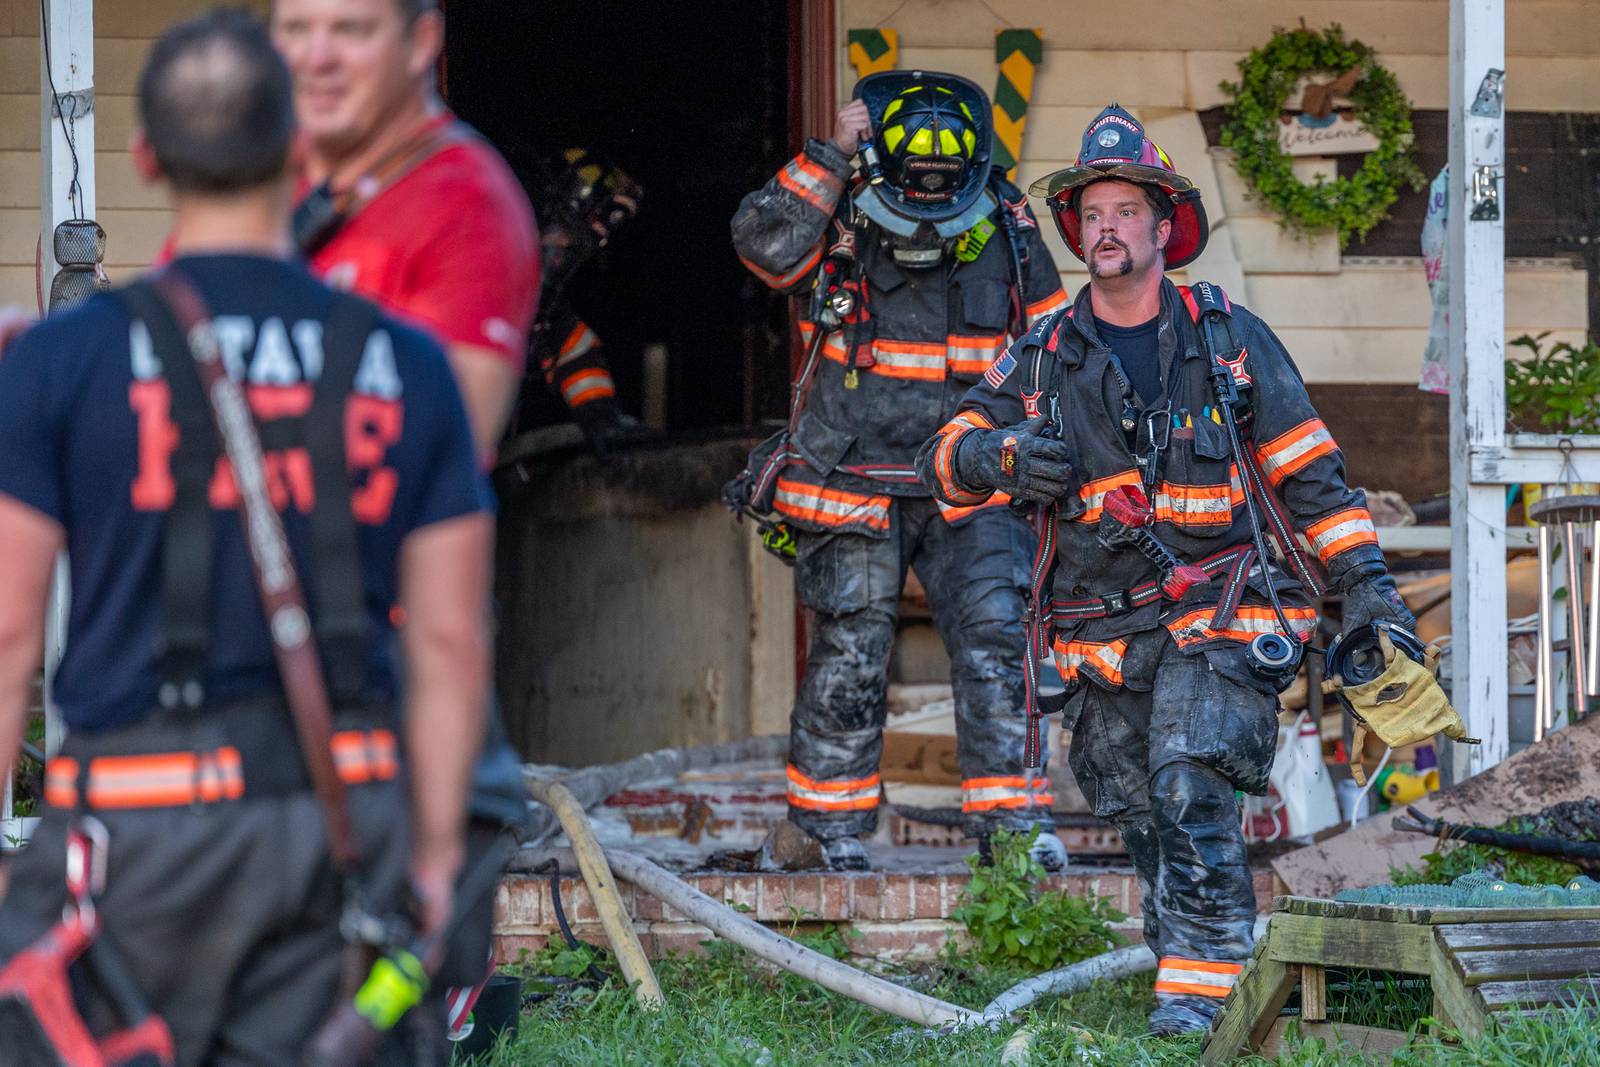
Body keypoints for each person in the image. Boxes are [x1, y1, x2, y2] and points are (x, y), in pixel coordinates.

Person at [0, 11, 490, 1064]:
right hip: (343, 830)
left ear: (145, 158)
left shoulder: (57, 362)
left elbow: (5, 633)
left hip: (125, 846)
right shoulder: (408, 363)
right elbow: (451, 639)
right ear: (297, 148)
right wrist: (439, 853)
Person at [918, 104, 1415, 1035]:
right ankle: (1189, 957)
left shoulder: (1229, 341)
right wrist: (1004, 459)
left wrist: (1371, 593)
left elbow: (1312, 478)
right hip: (1102, 636)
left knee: (1190, 785)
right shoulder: (1042, 356)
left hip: (1220, 614)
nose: (1105, 227)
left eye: (1123, 210)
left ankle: (1209, 995)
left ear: (1161, 227)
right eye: (1091, 213)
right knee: (1143, 814)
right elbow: (941, 459)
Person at [270, 0, 539, 1028]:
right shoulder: (288, 180)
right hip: (270, 653)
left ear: (421, 43)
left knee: (378, 998)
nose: (319, 55)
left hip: (384, 663)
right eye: (297, 28)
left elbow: (433, 452)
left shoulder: (466, 203)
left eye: (350, 27)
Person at [731, 71, 1070, 871]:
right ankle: (823, 835)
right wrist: (829, 156)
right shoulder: (841, 203)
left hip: (976, 477)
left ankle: (1016, 835)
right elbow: (766, 250)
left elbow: (1055, 347)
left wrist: (1053, 452)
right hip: (851, 481)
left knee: (1000, 643)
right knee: (849, 653)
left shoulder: (1009, 220)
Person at [508, 147, 644, 457]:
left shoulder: (547, 311)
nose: (564, 255)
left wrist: (600, 415)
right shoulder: (475, 262)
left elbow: (571, 349)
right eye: (567, 237)